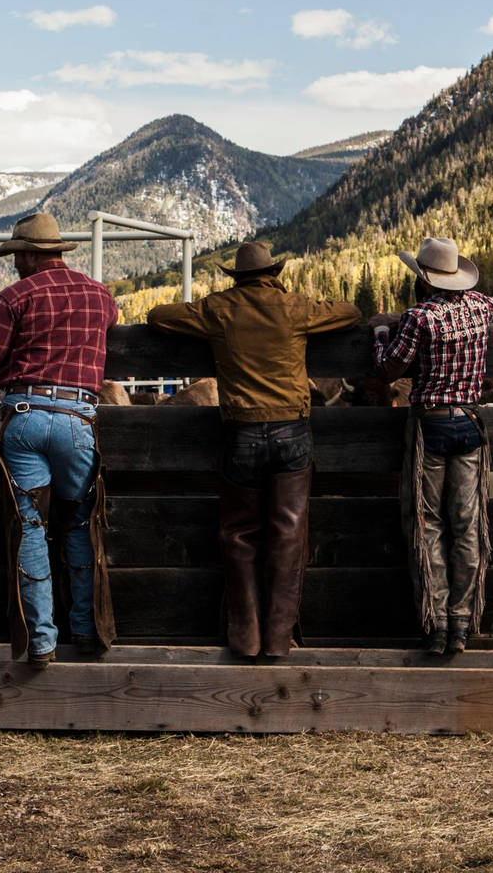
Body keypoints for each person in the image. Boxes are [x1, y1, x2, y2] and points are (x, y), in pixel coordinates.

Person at [145, 242, 360, 660]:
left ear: (235, 277)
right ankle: (279, 640)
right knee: (289, 535)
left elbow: (158, 317)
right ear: (272, 274)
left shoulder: (219, 309)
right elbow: (350, 313)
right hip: (293, 432)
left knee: (239, 536)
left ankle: (245, 637)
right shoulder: (295, 307)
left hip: (242, 433)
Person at [0, 213, 118, 668]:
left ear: (30, 254)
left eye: (17, 256)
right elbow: (110, 321)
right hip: (78, 419)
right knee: (79, 524)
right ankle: (87, 632)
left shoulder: (15, 297)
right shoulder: (100, 296)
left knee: (30, 526)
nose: (15, 264)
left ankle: (41, 642)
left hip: (26, 417)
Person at [373, 237, 493, 655]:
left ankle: (437, 623)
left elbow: (388, 367)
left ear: (425, 280)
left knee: (427, 523)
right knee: (467, 523)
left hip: (430, 424)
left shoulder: (419, 318)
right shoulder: (482, 308)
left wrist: (380, 332)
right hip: (470, 423)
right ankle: (463, 623)